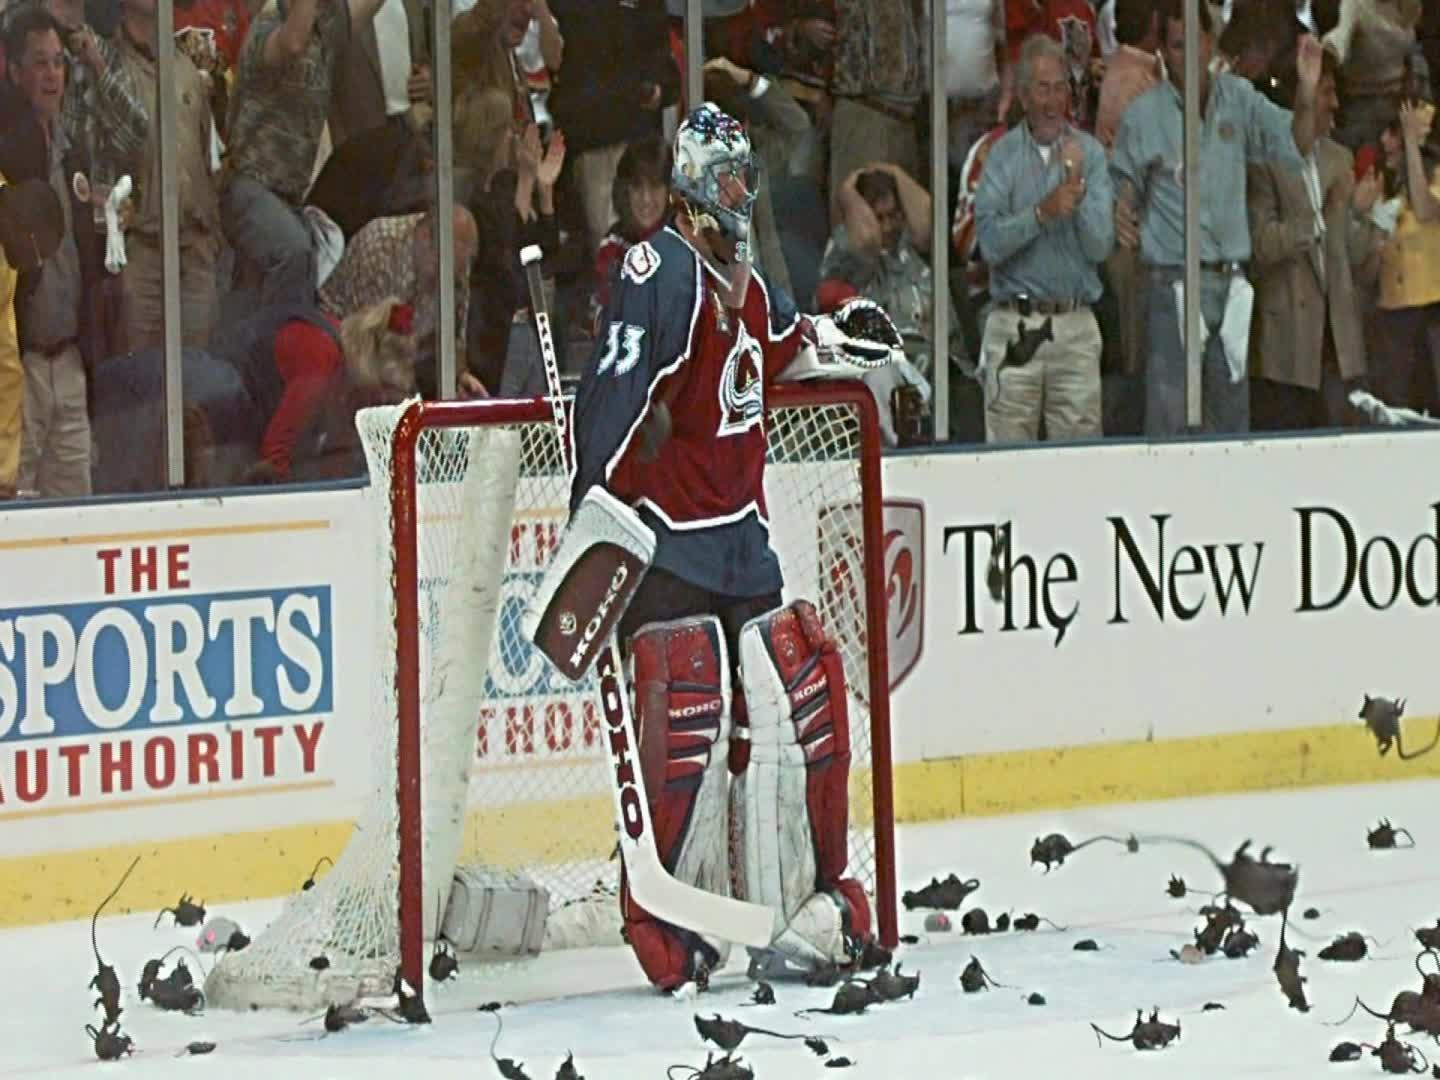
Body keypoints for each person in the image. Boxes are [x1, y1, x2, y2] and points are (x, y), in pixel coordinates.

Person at [565, 102, 892, 993]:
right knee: (687, 711)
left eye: (750, 173)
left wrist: (840, 340)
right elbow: (615, 388)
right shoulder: (658, 266)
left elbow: (779, 349)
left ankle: (804, 899)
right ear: (697, 183)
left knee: (802, 699)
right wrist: (590, 513)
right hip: (668, 540)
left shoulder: (743, 277)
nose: (746, 190)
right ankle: (666, 912)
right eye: (733, 175)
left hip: (743, 537)